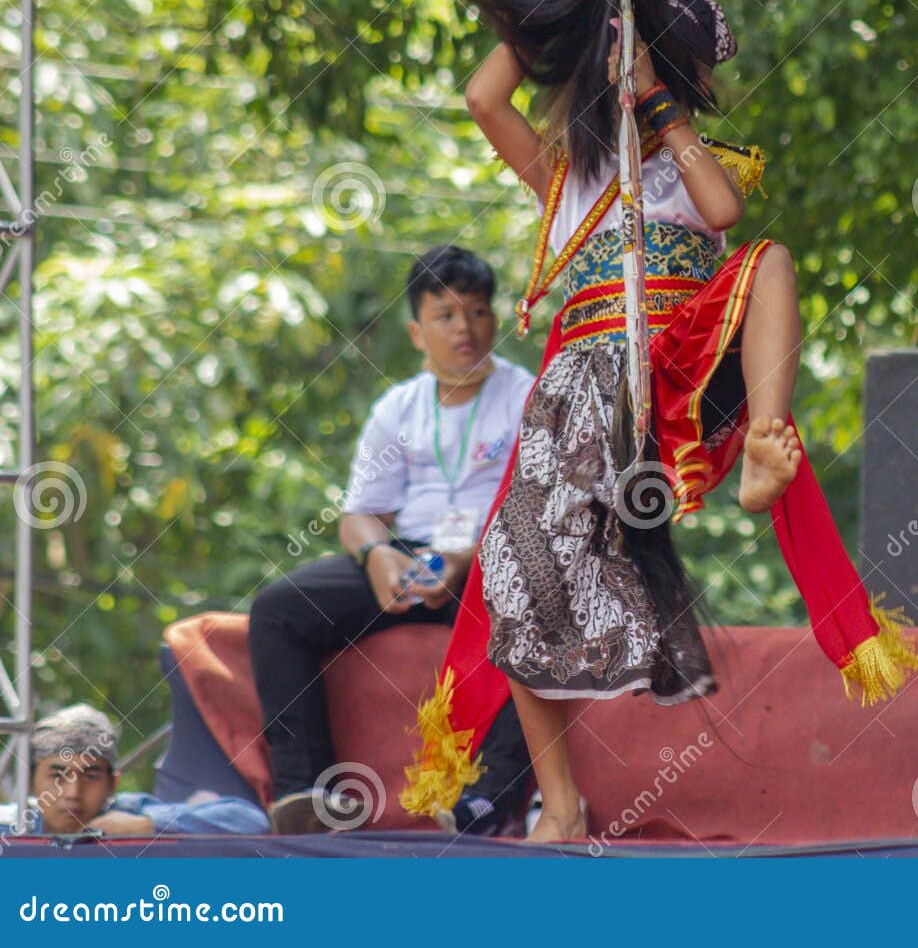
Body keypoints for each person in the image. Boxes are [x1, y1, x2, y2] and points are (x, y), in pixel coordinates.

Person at [399, 0, 917, 843]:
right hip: (582, 384)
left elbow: (721, 211)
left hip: (680, 360)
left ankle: (769, 438)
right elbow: (481, 96)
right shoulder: (566, 174)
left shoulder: (689, 152)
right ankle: (558, 804)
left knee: (767, 260)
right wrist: (577, 5)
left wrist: (655, 104)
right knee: (519, 585)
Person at [248, 245, 536, 835]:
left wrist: (468, 557)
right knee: (279, 608)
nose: (465, 328)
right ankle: (306, 792)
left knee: (538, 601)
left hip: (498, 558)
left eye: (478, 312)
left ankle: (490, 799)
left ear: (494, 320)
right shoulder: (397, 406)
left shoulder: (525, 395)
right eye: (446, 315)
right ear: (416, 330)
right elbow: (360, 514)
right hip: (411, 557)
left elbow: (542, 508)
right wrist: (376, 555)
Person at [0, 704, 269, 837]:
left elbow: (249, 820)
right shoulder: (10, 828)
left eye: (91, 776)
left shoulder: (129, 815)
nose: (73, 793)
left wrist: (146, 825)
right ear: (30, 782)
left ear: (113, 784)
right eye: (58, 775)